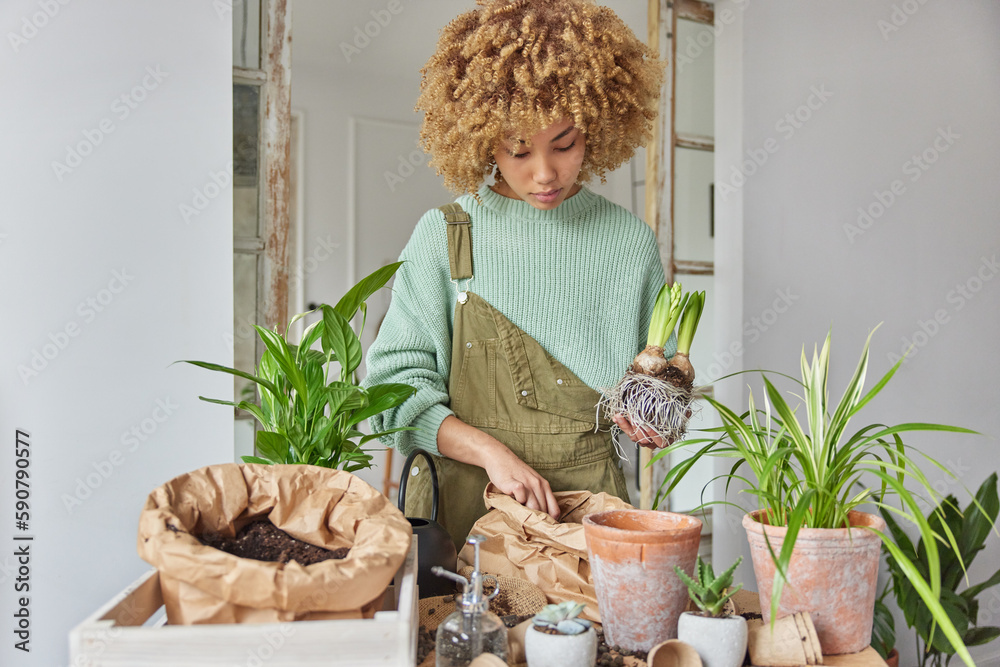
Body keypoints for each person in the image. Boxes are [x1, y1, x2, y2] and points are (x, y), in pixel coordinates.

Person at [364, 0, 675, 548]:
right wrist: (492, 454)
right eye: (518, 150)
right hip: (461, 512)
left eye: (565, 144)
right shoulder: (447, 235)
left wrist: (653, 418)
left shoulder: (629, 244)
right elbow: (392, 397)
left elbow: (659, 382)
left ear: (597, 127)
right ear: (483, 138)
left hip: (587, 513)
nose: (544, 173)